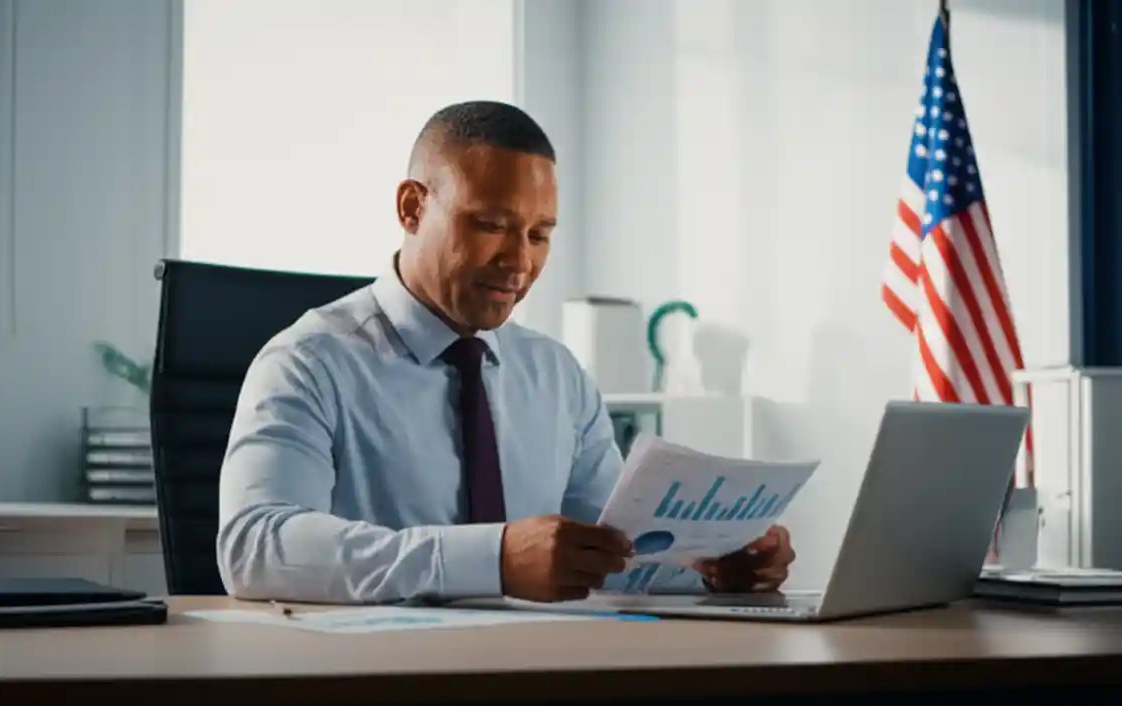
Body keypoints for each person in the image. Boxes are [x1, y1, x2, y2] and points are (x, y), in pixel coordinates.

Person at [217, 100, 795, 604]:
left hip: (538, 674)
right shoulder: (308, 363)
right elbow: (256, 547)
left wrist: (711, 570)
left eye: (540, 235)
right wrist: (492, 559)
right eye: (491, 224)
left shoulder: (557, 376)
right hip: (378, 683)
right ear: (412, 209)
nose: (519, 261)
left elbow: (617, 561)